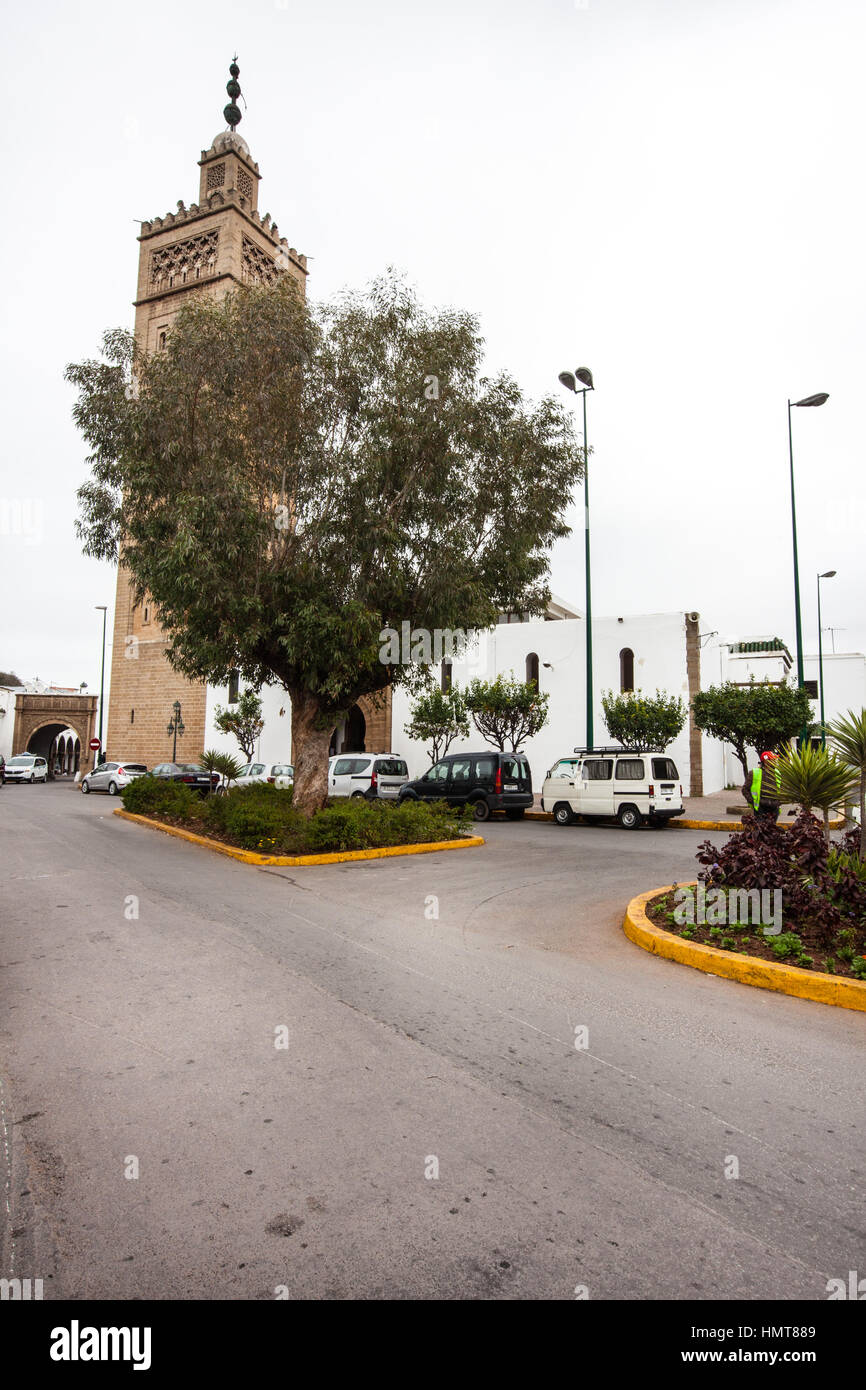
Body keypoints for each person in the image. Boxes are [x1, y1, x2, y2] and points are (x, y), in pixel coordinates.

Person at [744, 750, 781, 821]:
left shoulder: (777, 773)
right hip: (761, 808)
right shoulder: (754, 773)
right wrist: (752, 801)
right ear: (766, 762)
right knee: (760, 830)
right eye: (773, 760)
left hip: (774, 807)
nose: (775, 762)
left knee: (772, 830)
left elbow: (782, 789)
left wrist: (778, 802)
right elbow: (745, 789)